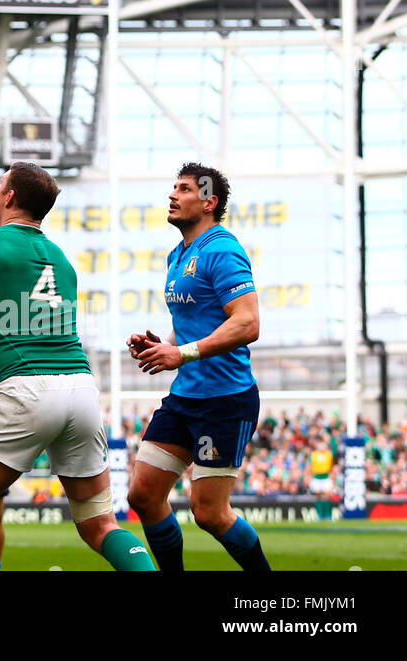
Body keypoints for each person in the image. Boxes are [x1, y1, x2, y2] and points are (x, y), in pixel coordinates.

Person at [0, 162, 155, 571]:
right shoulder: (59, 260)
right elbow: (5, 320)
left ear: (10, 197)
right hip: (80, 391)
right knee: (100, 524)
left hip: (26, 389)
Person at [126, 163, 269, 571]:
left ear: (210, 202)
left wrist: (182, 354)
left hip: (225, 401)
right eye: (173, 187)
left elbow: (247, 322)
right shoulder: (180, 253)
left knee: (208, 512)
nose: (173, 195)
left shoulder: (223, 248)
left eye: (184, 189)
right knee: (143, 495)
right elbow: (195, 321)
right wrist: (164, 346)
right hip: (185, 397)